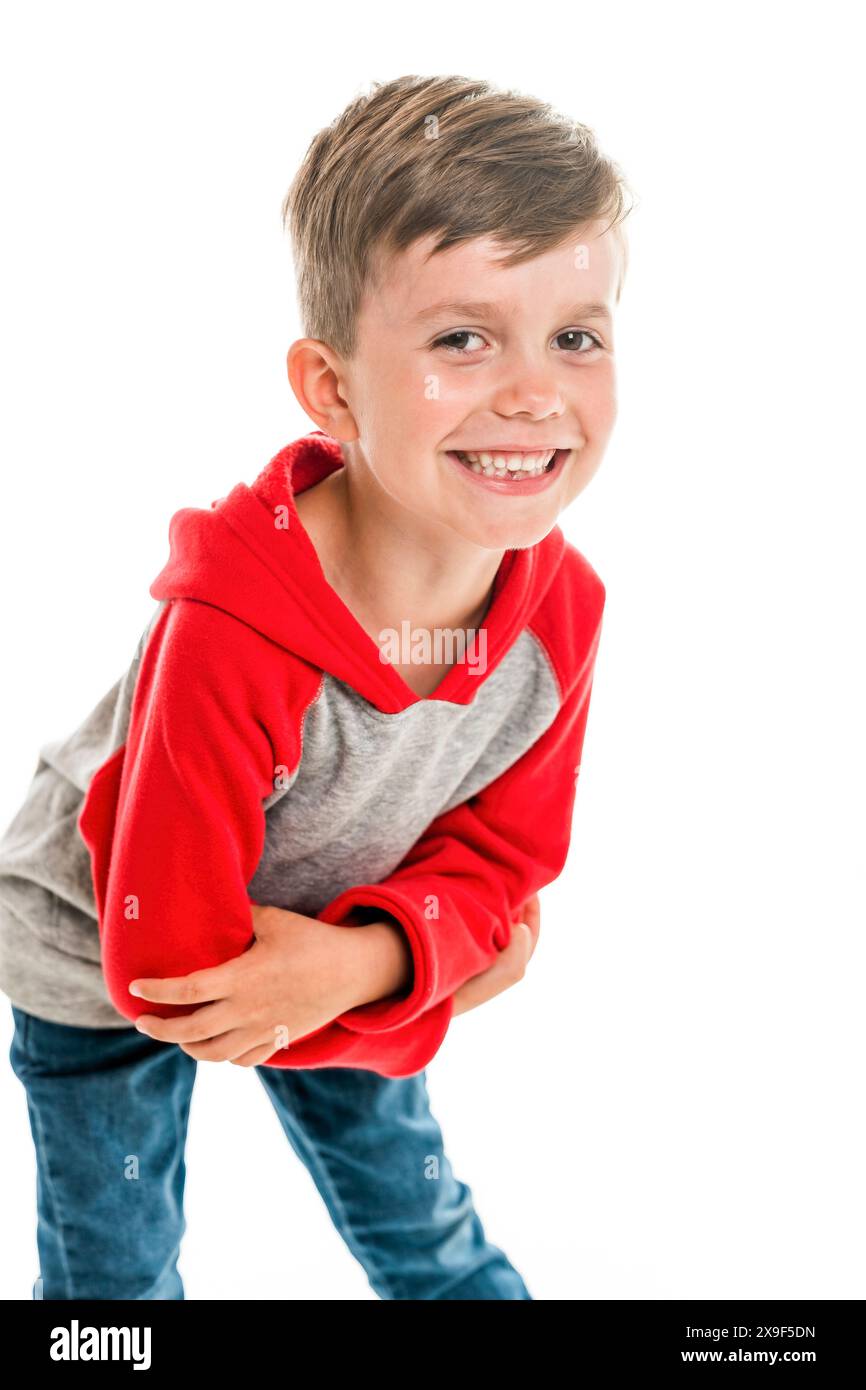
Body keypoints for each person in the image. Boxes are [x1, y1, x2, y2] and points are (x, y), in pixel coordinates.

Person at [0, 73, 631, 1300]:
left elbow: (506, 862)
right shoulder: (235, 629)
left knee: (420, 1217)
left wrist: (368, 960)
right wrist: (426, 960)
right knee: (115, 1274)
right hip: (105, 951)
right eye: (460, 336)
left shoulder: (563, 614)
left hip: (336, 927)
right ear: (332, 389)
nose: (531, 390)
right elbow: (173, 970)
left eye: (575, 334)